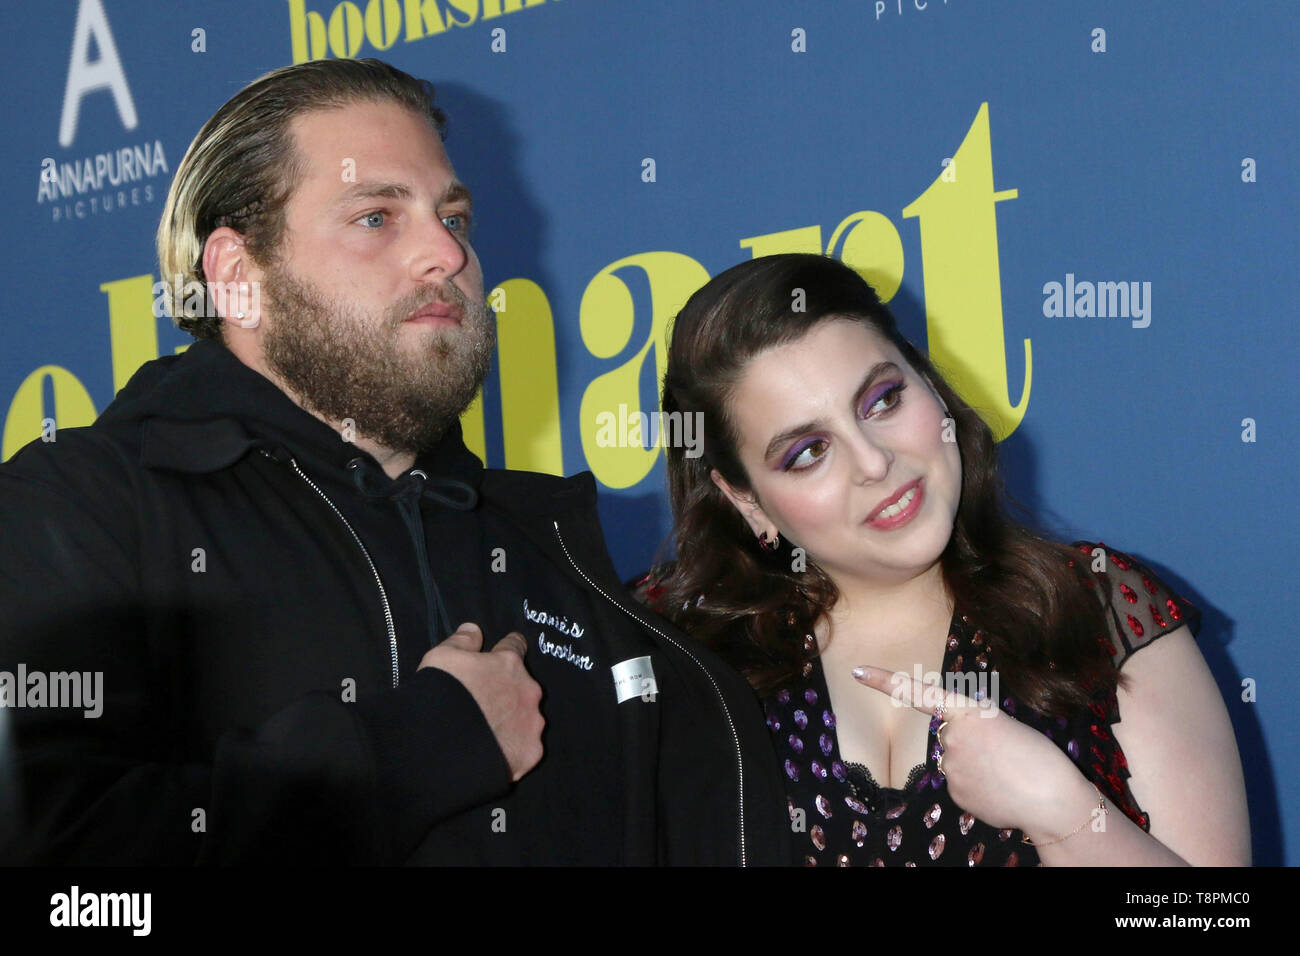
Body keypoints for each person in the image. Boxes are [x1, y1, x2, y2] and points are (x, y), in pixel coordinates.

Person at [0, 58, 790, 866]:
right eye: (377, 217)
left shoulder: (553, 558)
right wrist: (417, 749)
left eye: (456, 218)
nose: (445, 252)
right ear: (238, 278)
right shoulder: (82, 508)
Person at [635, 253, 1250, 866]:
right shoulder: (679, 662)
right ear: (747, 501)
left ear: (927, 382)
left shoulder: (1098, 607)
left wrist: (1064, 814)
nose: (874, 461)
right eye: (807, 452)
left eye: (882, 400)